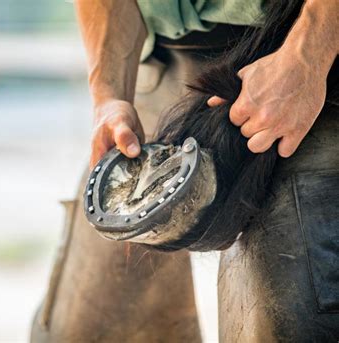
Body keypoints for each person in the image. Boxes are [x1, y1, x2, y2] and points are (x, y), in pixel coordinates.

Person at [32, 0, 339, 341]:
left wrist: (310, 54)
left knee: (295, 322)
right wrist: (109, 93)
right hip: (151, 64)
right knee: (88, 329)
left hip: (302, 62)